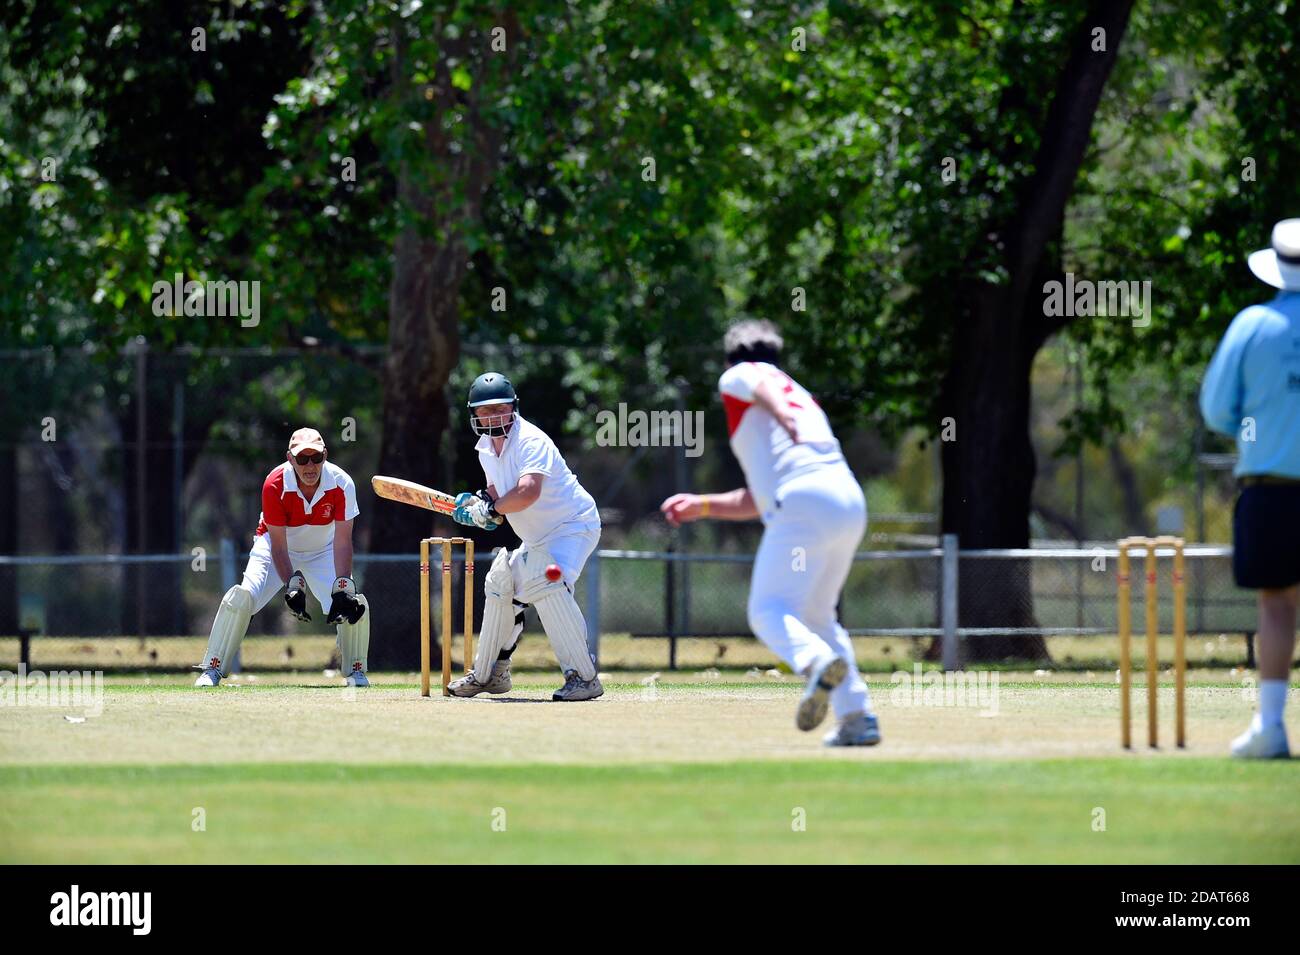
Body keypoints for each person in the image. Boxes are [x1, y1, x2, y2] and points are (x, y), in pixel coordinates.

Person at [660, 320, 879, 745]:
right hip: (847, 501)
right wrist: (702, 505)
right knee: (819, 617)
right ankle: (858, 717)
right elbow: (761, 499)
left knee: (767, 611)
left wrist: (779, 415)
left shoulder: (744, 375)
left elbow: (755, 383)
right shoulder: (804, 398)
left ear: (730, 359)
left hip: (803, 502)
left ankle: (816, 664)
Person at [1200, 218, 1300, 758]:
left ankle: (1272, 727)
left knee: (1278, 604)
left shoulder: (1253, 325)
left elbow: (1216, 409)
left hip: (1275, 486)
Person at [447, 372, 604, 701]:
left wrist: (491, 510)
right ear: (474, 414)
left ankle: (584, 677)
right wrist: (482, 503)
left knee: (544, 580)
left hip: (572, 526)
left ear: (513, 408)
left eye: (500, 409)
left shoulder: (531, 440)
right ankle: (490, 674)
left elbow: (528, 491)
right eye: (485, 411)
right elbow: (498, 492)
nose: (494, 417)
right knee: (499, 583)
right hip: (536, 539)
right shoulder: (485, 449)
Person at [195, 427, 368, 687]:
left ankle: (355, 670)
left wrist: (342, 586)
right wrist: (292, 584)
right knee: (242, 596)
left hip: (324, 549)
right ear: (290, 458)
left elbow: (343, 542)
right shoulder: (275, 484)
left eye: (316, 458)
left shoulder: (342, 483)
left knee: (353, 602)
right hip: (276, 547)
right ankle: (213, 668)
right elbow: (278, 546)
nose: (310, 466)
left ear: (325, 456)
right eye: (302, 459)